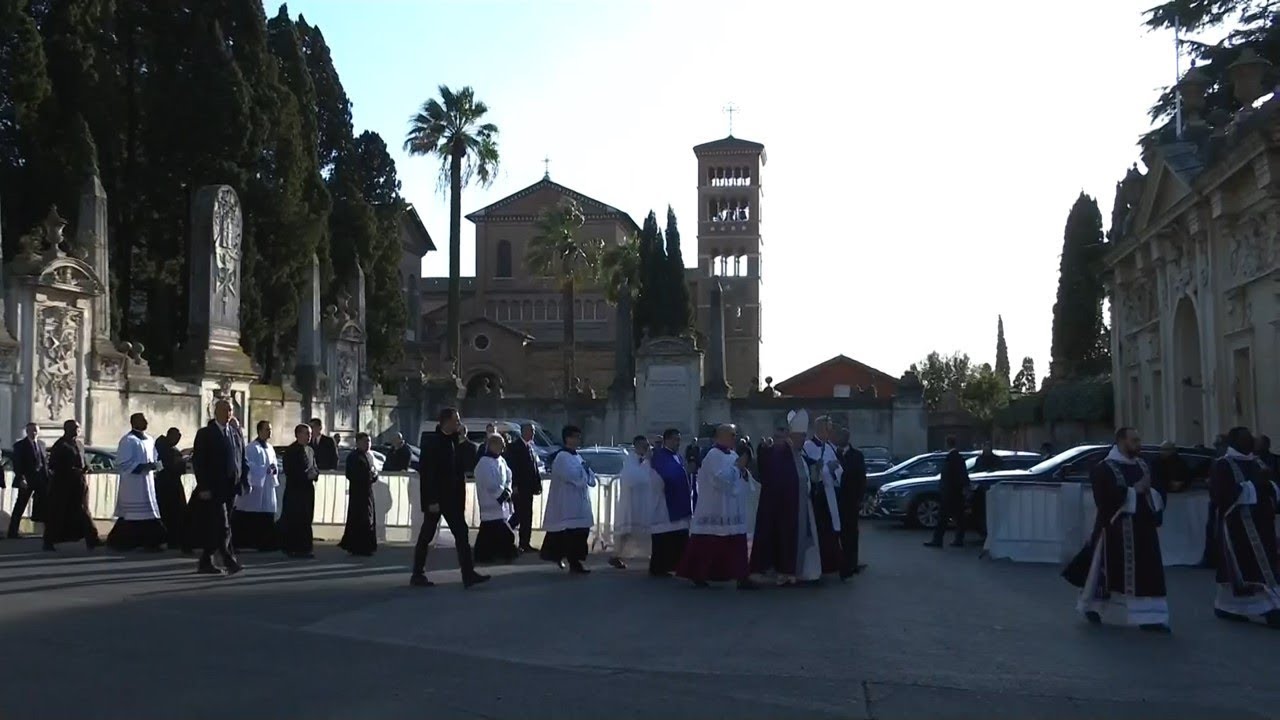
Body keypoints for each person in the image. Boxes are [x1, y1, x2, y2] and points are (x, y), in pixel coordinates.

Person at [1063, 427, 1170, 632]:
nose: (1139, 444)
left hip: (1144, 530)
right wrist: (1132, 492)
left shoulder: (1144, 465)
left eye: (1139, 440)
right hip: (1115, 529)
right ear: (1121, 441)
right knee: (1105, 572)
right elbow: (1103, 500)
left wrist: (1152, 494)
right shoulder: (1104, 468)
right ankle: (1092, 606)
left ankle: (1152, 617)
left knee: (1147, 572)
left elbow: (1158, 490)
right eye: (1134, 440)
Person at [1208, 426, 1280, 627]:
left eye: (1251, 437)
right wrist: (1255, 484)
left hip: (1262, 525)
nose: (1251, 441)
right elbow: (1221, 495)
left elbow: (1272, 488)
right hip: (1238, 528)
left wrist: (1269, 485)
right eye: (1247, 438)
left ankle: (1236, 606)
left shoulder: (1257, 462)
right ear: (1235, 442)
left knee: (1267, 564)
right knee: (1247, 568)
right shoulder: (1222, 465)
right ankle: (1265, 607)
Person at [412, 407, 489, 588]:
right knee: (427, 535)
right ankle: (417, 573)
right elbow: (428, 474)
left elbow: (470, 459)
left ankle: (468, 574)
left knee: (461, 535)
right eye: (456, 420)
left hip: (453, 498)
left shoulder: (456, 441)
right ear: (446, 422)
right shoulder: (432, 442)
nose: (459, 424)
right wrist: (430, 501)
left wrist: (463, 439)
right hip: (437, 498)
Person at [676, 424, 756, 590]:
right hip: (715, 507)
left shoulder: (733, 454)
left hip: (731, 507)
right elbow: (720, 481)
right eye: (732, 435)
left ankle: (741, 576)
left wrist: (743, 472)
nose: (735, 438)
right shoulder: (712, 455)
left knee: (736, 541)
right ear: (721, 436)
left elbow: (739, 476)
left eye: (735, 434)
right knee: (708, 542)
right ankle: (699, 574)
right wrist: (737, 468)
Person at [750, 410, 822, 584]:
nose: (804, 440)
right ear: (794, 435)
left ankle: (792, 570)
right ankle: (783, 570)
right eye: (802, 436)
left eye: (805, 436)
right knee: (784, 537)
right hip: (783, 506)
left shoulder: (797, 453)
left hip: (798, 504)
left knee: (794, 538)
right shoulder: (780, 451)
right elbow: (772, 476)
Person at [190, 400, 245, 575]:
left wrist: (243, 480)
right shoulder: (206, 434)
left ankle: (206, 561)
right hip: (214, 487)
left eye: (230, 410)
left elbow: (241, 459)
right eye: (225, 410)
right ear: (216, 412)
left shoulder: (235, 433)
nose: (228, 413)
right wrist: (203, 486)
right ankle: (229, 561)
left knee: (217, 526)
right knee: (223, 525)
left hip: (231, 487)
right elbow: (199, 462)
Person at [106, 413, 166, 551]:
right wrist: (142, 467)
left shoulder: (150, 440)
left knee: (149, 514)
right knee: (132, 515)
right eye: (143, 420)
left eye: (146, 420)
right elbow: (123, 463)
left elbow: (155, 457)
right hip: (133, 484)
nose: (146, 422)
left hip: (147, 483)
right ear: (134, 422)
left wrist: (155, 466)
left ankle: (152, 542)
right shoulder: (128, 440)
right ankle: (122, 542)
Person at [541, 425, 596, 574]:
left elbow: (590, 477)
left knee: (580, 531)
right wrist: (584, 471)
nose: (579, 439)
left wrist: (587, 472)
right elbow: (572, 477)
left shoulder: (577, 456)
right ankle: (574, 562)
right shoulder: (562, 457)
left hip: (579, 502)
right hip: (567, 501)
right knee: (569, 533)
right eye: (576, 436)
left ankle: (572, 559)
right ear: (568, 438)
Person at [42, 419, 102, 552]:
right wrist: (72, 470)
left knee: (83, 510)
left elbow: (81, 461)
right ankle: (49, 541)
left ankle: (92, 539)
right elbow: (53, 465)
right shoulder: (60, 445)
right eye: (75, 428)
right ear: (67, 429)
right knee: (58, 513)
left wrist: (86, 468)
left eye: (78, 428)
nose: (77, 430)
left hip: (79, 483)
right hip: (63, 485)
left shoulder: (79, 444)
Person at [648, 428, 693, 577]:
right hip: (664, 501)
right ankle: (659, 567)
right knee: (664, 535)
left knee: (678, 534)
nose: (677, 442)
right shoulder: (660, 457)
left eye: (679, 440)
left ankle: (675, 565)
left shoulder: (678, 457)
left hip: (677, 500)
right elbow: (658, 477)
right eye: (674, 439)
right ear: (666, 440)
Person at [802, 416, 843, 574]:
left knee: (831, 529)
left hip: (830, 492)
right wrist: (826, 469)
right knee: (820, 529)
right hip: (817, 496)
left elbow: (839, 469)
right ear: (819, 429)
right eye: (828, 428)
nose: (830, 432)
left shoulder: (830, 447)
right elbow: (810, 470)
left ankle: (833, 562)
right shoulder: (808, 447)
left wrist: (834, 470)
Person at [610, 435, 658, 569]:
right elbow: (634, 478)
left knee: (649, 529)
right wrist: (646, 464)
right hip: (631, 501)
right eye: (643, 446)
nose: (646, 448)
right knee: (626, 531)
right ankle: (616, 555)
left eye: (647, 446)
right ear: (636, 446)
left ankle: (654, 556)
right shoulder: (630, 460)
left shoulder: (648, 460)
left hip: (644, 499)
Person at [232, 420, 279, 551]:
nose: (269, 432)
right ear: (259, 431)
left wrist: (274, 469)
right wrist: (264, 470)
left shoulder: (270, 448)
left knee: (266, 512)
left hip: (268, 485)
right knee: (252, 513)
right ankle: (248, 542)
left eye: (270, 429)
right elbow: (249, 466)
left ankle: (265, 543)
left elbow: (274, 463)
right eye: (267, 429)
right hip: (257, 487)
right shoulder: (252, 448)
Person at [473, 433, 518, 564]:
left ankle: (487, 554)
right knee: (504, 532)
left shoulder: (501, 460)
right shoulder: (483, 463)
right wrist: (501, 494)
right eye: (501, 445)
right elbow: (489, 483)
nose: (503, 448)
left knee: (489, 532)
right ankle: (503, 553)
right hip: (490, 502)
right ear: (492, 445)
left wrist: (508, 489)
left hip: (500, 504)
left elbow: (509, 475)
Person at [279, 423, 320, 558]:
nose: (309, 436)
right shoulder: (291, 451)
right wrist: (305, 475)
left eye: (309, 434)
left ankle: (305, 547)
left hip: (308, 489)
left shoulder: (310, 450)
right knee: (294, 518)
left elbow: (314, 466)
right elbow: (290, 470)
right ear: (298, 435)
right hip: (295, 490)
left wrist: (315, 474)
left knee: (306, 518)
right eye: (306, 434)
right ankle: (292, 547)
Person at [338, 432, 378, 556]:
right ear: (358, 442)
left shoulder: (369, 456)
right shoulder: (353, 457)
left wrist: (374, 476)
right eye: (365, 441)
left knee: (369, 517)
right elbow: (351, 474)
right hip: (357, 492)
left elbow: (373, 471)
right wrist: (366, 476)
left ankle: (367, 545)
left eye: (369, 441)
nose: (368, 444)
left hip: (367, 491)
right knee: (359, 518)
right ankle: (357, 546)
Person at [504, 422, 542, 553]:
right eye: (530, 431)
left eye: (533, 431)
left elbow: (534, 468)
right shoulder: (515, 447)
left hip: (529, 488)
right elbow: (513, 468)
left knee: (527, 516)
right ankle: (503, 533)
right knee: (519, 515)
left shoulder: (530, 447)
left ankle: (525, 543)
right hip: (519, 488)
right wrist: (514, 486)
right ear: (523, 431)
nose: (533, 433)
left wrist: (537, 485)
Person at [834, 427, 868, 577]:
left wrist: (860, 498)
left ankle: (851, 563)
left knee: (851, 534)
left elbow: (862, 478)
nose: (841, 438)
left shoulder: (857, 455)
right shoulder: (832, 454)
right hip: (834, 500)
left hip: (850, 500)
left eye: (844, 436)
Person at [925, 436, 969, 548]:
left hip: (950, 493)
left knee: (943, 517)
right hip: (956, 492)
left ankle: (938, 540)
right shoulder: (957, 457)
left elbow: (953, 476)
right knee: (959, 517)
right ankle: (958, 539)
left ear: (947, 444)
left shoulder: (952, 458)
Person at [10, 422, 49, 539]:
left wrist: (47, 478)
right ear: (27, 432)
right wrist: (21, 478)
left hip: (41, 480)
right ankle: (12, 532)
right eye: (31, 431)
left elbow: (44, 462)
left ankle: (48, 532)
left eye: (36, 430)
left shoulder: (41, 444)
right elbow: (17, 464)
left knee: (45, 505)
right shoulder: (20, 445)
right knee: (20, 505)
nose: (34, 433)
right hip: (27, 480)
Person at [153, 427, 188, 550]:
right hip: (168, 485)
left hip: (168, 484)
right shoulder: (166, 449)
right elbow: (172, 465)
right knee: (172, 513)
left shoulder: (165, 448)